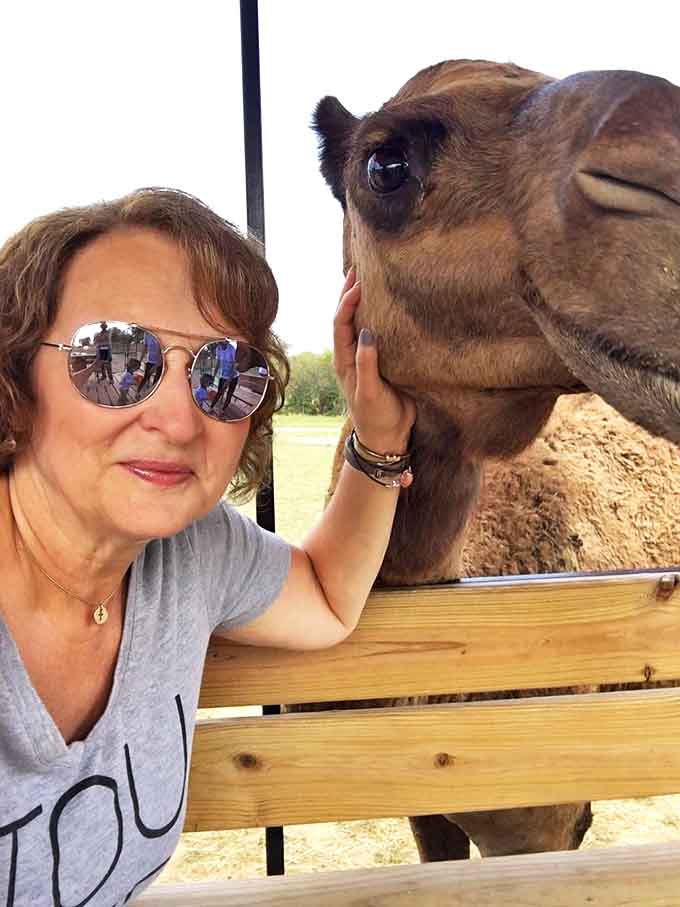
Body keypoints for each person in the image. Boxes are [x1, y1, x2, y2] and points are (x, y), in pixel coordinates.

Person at [0, 188, 416, 906]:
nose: (178, 418)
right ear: (16, 375)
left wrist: (378, 436)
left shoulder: (190, 553)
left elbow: (323, 594)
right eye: (116, 357)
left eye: (223, 375)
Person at [210, 339, 239, 413]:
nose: (221, 342)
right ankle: (211, 407)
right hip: (223, 375)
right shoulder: (218, 349)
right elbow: (218, 363)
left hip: (233, 376)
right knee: (219, 392)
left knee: (229, 393)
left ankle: (223, 410)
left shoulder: (231, 348)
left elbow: (234, 365)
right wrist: (214, 376)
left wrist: (229, 379)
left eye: (223, 341)